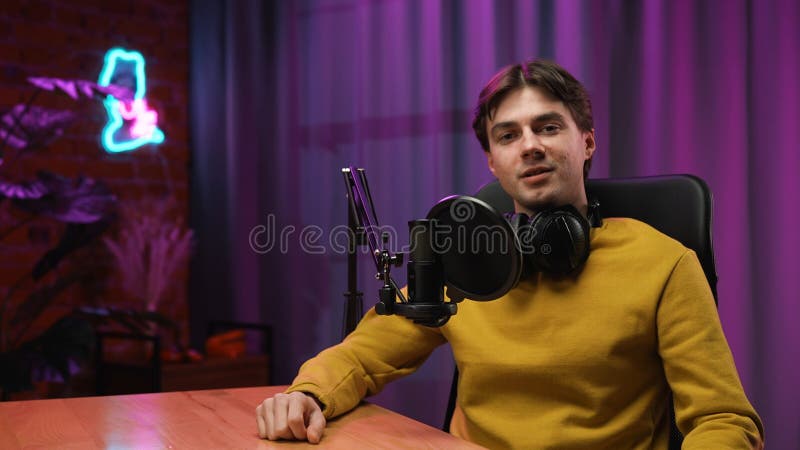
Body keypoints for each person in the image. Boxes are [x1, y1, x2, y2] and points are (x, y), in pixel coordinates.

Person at [255, 59, 764, 449]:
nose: (530, 146)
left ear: (586, 142)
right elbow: (362, 357)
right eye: (508, 135)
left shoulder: (664, 263)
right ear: (493, 164)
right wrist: (307, 395)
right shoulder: (467, 259)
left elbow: (723, 420)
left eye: (548, 127)